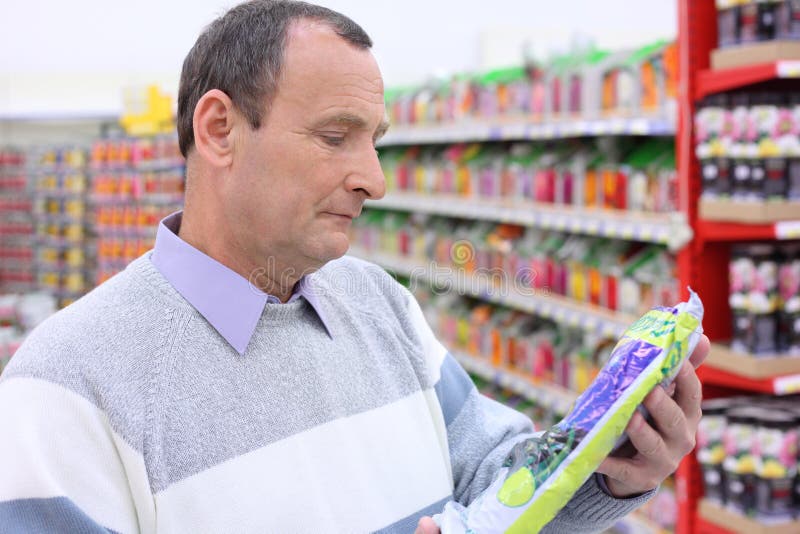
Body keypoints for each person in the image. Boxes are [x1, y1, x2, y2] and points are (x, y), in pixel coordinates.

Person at [0, 1, 710, 532]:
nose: (375, 179)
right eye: (335, 137)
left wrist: (609, 469)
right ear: (219, 130)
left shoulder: (380, 303)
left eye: (376, 142)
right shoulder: (64, 386)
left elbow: (493, 485)